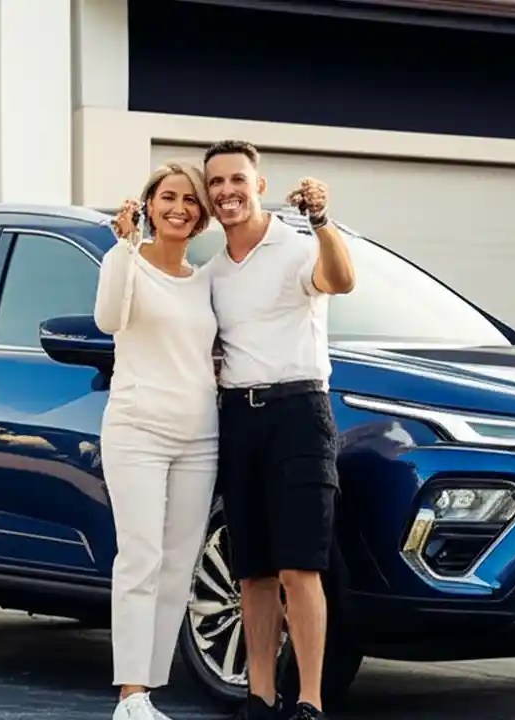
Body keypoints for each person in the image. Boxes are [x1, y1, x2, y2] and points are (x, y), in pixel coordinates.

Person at [202, 140, 356, 720]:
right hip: (238, 419)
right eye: (215, 183)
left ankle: (310, 702)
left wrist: (321, 222)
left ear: (257, 185)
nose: (226, 192)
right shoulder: (212, 272)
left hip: (299, 416)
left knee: (300, 567)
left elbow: (340, 281)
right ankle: (260, 698)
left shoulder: (296, 248)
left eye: (236, 179)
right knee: (255, 571)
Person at [94, 162, 221, 720]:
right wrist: (126, 246)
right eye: (168, 196)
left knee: (177, 563)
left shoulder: (207, 278)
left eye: (190, 199)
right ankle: (130, 696)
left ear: (201, 214)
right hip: (137, 429)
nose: (180, 206)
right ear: (149, 204)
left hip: (199, 435)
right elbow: (105, 320)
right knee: (141, 558)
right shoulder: (124, 261)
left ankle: (149, 690)